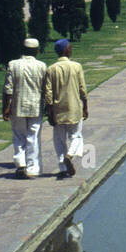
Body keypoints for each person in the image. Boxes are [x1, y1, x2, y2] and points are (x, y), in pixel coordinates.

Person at [3, 37, 48, 179]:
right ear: (37, 51)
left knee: (18, 135)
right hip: (35, 106)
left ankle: (20, 164)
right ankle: (33, 168)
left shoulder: (13, 64)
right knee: (33, 136)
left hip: (17, 106)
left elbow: (8, 88)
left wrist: (6, 107)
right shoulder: (41, 66)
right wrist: (48, 106)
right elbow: (46, 88)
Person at [43, 39, 88, 179]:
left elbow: (48, 93)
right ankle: (70, 155)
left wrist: (49, 112)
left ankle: (63, 167)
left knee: (59, 140)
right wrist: (85, 106)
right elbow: (82, 89)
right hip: (74, 107)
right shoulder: (76, 66)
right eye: (70, 47)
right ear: (65, 50)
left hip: (58, 109)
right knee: (76, 136)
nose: (71, 49)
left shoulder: (51, 69)